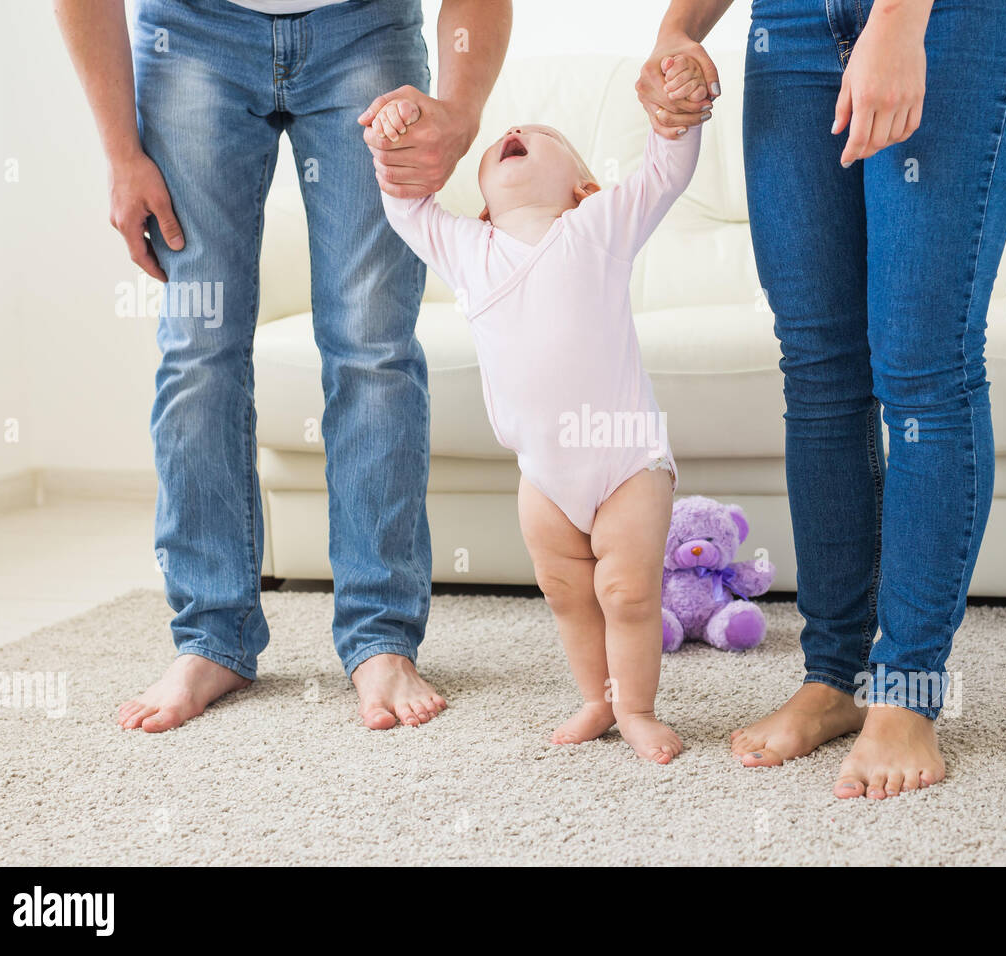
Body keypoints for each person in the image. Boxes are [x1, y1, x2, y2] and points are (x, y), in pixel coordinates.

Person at [53, 0, 512, 732]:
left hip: (366, 26)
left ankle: (381, 640)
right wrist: (120, 154)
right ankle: (212, 636)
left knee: (372, 346)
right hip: (192, 33)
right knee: (198, 346)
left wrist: (460, 109)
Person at [639, 0, 1006, 796]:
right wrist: (680, 29)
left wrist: (898, 22)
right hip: (790, 23)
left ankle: (906, 690)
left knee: (924, 367)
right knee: (821, 369)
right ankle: (832, 678)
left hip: (955, 21)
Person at [370, 56, 707, 761]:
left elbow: (663, 173)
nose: (516, 130)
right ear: (484, 203)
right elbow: (405, 207)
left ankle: (638, 709)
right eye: (502, 142)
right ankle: (596, 701)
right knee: (567, 595)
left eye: (542, 135)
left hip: (626, 463)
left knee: (627, 591)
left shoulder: (596, 226)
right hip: (543, 477)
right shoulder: (470, 248)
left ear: (584, 187)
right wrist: (395, 139)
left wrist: (674, 114)